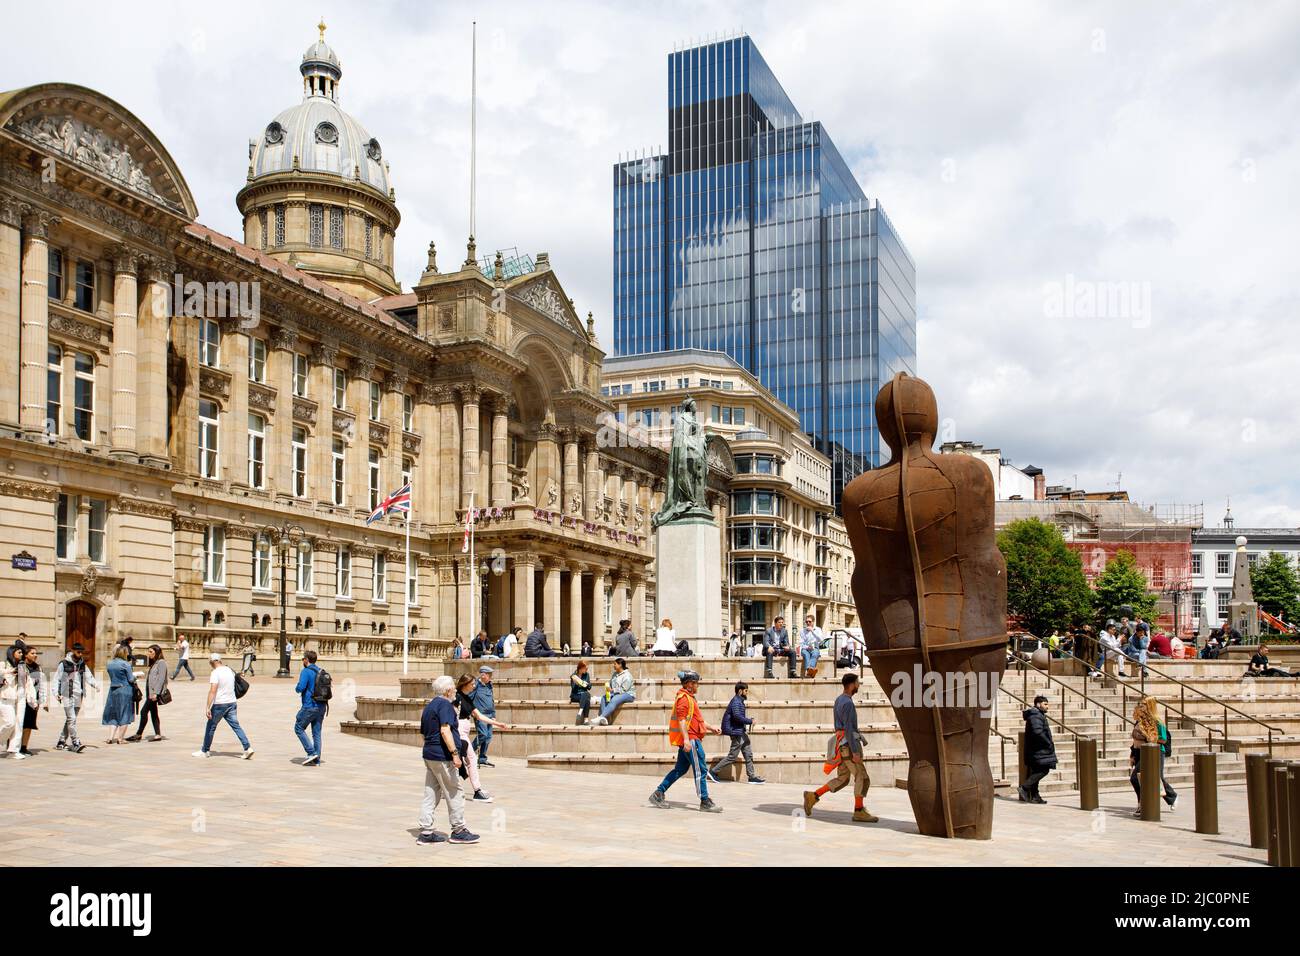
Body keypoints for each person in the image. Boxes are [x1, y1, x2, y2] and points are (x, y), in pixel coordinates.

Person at [803, 672, 877, 822]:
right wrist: (855, 751)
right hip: (849, 747)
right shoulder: (848, 703)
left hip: (841, 746)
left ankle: (813, 795)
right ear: (851, 685)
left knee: (843, 778)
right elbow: (849, 729)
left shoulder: (839, 700)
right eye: (857, 683)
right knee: (862, 776)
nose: (858, 686)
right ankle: (858, 810)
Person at [416, 675, 479, 846]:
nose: (454, 692)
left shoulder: (429, 706)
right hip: (442, 756)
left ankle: (426, 832)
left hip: (430, 755)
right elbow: (445, 731)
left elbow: (423, 733)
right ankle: (458, 830)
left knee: (431, 792)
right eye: (452, 688)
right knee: (454, 791)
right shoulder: (445, 705)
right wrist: (455, 754)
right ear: (449, 690)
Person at [648, 670, 722, 812]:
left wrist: (711, 727)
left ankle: (658, 793)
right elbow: (682, 721)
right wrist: (687, 740)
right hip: (691, 740)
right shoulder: (683, 698)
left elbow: (697, 720)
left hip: (690, 740)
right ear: (689, 684)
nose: (697, 686)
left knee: (680, 769)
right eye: (695, 683)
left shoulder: (689, 698)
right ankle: (705, 801)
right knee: (701, 769)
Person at [454, 673, 506, 801]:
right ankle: (476, 790)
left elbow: (479, 715)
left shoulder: (467, 698)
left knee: (464, 760)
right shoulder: (456, 698)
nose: (474, 686)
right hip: (459, 733)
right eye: (472, 684)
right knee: (470, 759)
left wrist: (497, 723)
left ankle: (456, 788)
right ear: (465, 684)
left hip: (463, 733)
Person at [193, 653, 253, 759]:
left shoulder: (215, 673)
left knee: (211, 727)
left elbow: (213, 690)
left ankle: (205, 750)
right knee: (236, 726)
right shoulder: (228, 669)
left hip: (220, 704)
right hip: (232, 702)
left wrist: (208, 707)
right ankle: (247, 748)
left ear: (213, 661)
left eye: (210, 662)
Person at [1129, 695, 1177, 814]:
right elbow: (1135, 739)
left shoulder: (1157, 722)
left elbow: (1163, 739)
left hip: (1154, 752)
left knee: (1155, 778)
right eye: (1140, 704)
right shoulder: (1139, 720)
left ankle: (1171, 797)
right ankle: (1142, 804)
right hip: (1140, 752)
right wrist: (1132, 754)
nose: (1141, 706)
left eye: (1144, 704)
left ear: (1150, 705)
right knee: (1138, 778)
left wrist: (1150, 738)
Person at [709, 681, 765, 783]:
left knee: (748, 753)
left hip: (741, 732)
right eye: (746, 691)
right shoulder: (736, 701)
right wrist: (750, 721)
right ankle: (713, 771)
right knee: (732, 756)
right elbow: (737, 717)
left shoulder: (739, 701)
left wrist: (748, 720)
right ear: (740, 691)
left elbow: (739, 716)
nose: (747, 693)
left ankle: (751, 776)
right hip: (736, 732)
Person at [54, 643, 98, 753]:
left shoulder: (82, 664)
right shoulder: (63, 664)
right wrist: (56, 693)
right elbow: (56, 679)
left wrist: (95, 685)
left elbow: (88, 676)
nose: (80, 654)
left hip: (79, 694)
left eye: (82, 652)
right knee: (71, 719)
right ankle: (75, 742)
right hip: (66, 694)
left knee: (71, 719)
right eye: (78, 651)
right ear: (73, 651)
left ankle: (61, 741)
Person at [1019, 694, 1056, 804]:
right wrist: (1047, 743)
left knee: (1036, 771)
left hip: (1036, 750)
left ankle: (1035, 796)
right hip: (1038, 750)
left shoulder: (1037, 714)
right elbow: (1037, 732)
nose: (1047, 706)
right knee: (1044, 770)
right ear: (1038, 704)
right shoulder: (1036, 715)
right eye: (1045, 704)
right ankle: (1024, 788)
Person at [127, 644, 168, 742]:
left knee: (143, 711)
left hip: (153, 693)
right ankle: (157, 734)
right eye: (148, 651)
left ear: (157, 652)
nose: (148, 653)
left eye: (151, 652)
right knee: (154, 713)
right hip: (150, 692)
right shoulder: (155, 662)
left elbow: (161, 679)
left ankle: (139, 734)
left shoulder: (161, 662)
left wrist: (156, 693)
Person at [293, 649, 327, 766]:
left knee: (298, 728)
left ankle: (311, 753)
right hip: (322, 706)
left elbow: (300, 688)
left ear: (307, 660)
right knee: (316, 733)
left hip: (310, 705)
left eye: (303, 658)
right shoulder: (320, 670)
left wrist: (297, 687)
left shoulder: (306, 671)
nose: (302, 660)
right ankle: (316, 760)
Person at [101, 644, 136, 746]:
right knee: (125, 713)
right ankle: (120, 738)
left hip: (113, 690)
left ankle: (110, 738)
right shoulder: (126, 664)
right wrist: (136, 677)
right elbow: (130, 679)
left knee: (114, 713)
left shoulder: (110, 663)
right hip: (125, 690)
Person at [591, 657, 635, 726]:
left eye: (615, 664)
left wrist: (612, 690)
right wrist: (608, 687)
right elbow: (611, 683)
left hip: (628, 694)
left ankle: (601, 717)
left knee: (615, 699)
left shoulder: (627, 676)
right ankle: (605, 720)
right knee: (604, 698)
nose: (613, 665)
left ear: (620, 665)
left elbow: (624, 689)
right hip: (616, 693)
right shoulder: (615, 674)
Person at [469, 665, 498, 766]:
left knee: (488, 737)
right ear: (483, 675)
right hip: (480, 715)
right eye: (489, 675)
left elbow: (491, 700)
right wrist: (472, 711)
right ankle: (468, 753)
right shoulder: (476, 685)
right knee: (483, 735)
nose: (491, 677)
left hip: (490, 715)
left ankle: (482, 758)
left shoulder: (489, 685)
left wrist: (493, 714)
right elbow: (469, 698)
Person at [570, 660, 594, 725]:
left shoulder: (586, 675)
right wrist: (577, 683)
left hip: (584, 694)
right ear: (581, 668)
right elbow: (573, 688)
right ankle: (585, 719)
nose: (587, 670)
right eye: (586, 668)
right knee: (587, 697)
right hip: (576, 695)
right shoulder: (574, 675)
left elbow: (589, 687)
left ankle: (580, 712)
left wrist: (586, 684)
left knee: (586, 694)